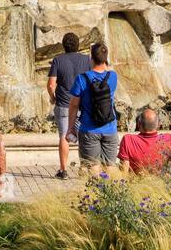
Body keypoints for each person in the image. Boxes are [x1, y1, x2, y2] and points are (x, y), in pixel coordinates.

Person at [67, 41, 119, 170]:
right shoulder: (113, 76)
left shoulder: (82, 79)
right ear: (105, 58)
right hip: (110, 129)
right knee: (110, 167)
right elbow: (105, 68)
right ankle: (111, 190)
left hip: (89, 129)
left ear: (91, 57)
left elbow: (74, 105)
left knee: (92, 168)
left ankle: (95, 189)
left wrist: (71, 127)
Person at [47, 32, 91, 180]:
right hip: (83, 105)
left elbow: (51, 84)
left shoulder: (57, 60)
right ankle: (84, 168)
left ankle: (63, 170)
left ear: (64, 46)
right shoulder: (87, 60)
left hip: (64, 105)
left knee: (64, 136)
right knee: (84, 136)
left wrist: (52, 97)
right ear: (78, 45)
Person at [118, 106, 171, 176]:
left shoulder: (128, 140)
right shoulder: (168, 139)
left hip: (136, 183)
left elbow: (124, 172)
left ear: (138, 125)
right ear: (159, 125)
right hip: (161, 183)